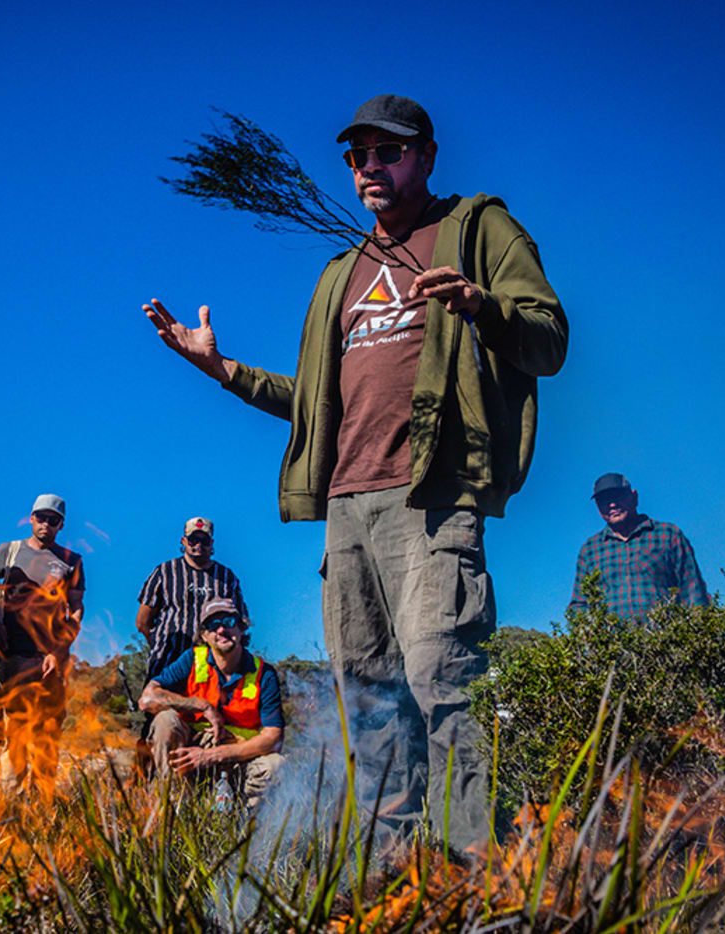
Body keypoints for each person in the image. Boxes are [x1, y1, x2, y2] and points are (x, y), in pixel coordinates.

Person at [142, 93, 567, 851]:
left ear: (427, 156)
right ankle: (396, 878)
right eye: (358, 155)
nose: (371, 166)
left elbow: (548, 339)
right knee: (369, 696)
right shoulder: (343, 270)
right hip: (347, 510)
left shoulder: (474, 228)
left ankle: (472, 872)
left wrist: (480, 305)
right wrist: (219, 369)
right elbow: (311, 403)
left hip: (431, 497)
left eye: (389, 151)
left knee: (444, 680)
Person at [0, 494, 84, 792]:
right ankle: (10, 806)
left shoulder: (71, 561)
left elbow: (77, 608)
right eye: (41, 518)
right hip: (13, 656)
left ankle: (43, 810)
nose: (46, 524)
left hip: (50, 660)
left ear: (61, 525)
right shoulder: (9, 551)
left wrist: (59, 651)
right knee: (15, 734)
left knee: (47, 736)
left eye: (53, 520)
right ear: (31, 518)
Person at [140, 598, 284, 806]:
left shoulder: (264, 673)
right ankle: (177, 810)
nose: (221, 630)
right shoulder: (192, 659)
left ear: (242, 628)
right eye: (212, 625)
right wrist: (201, 705)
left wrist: (212, 755)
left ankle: (254, 827)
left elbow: (273, 737)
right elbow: (147, 698)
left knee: (275, 765)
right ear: (204, 635)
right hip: (189, 757)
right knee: (165, 721)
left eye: (228, 621)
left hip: (239, 755)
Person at [568, 473, 709, 618]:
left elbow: (693, 590)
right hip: (612, 639)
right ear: (598, 507)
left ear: (634, 497)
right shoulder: (590, 550)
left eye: (618, 496)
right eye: (604, 500)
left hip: (665, 637)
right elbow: (580, 604)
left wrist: (699, 632)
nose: (612, 504)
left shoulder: (668, 535)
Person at [135, 516, 249, 681]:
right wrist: (157, 644)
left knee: (207, 706)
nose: (198, 545)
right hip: (167, 661)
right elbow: (142, 622)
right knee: (158, 702)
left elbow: (241, 622)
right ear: (183, 541)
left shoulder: (226, 577)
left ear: (212, 543)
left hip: (210, 668)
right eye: (193, 540)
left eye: (204, 540)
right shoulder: (164, 572)